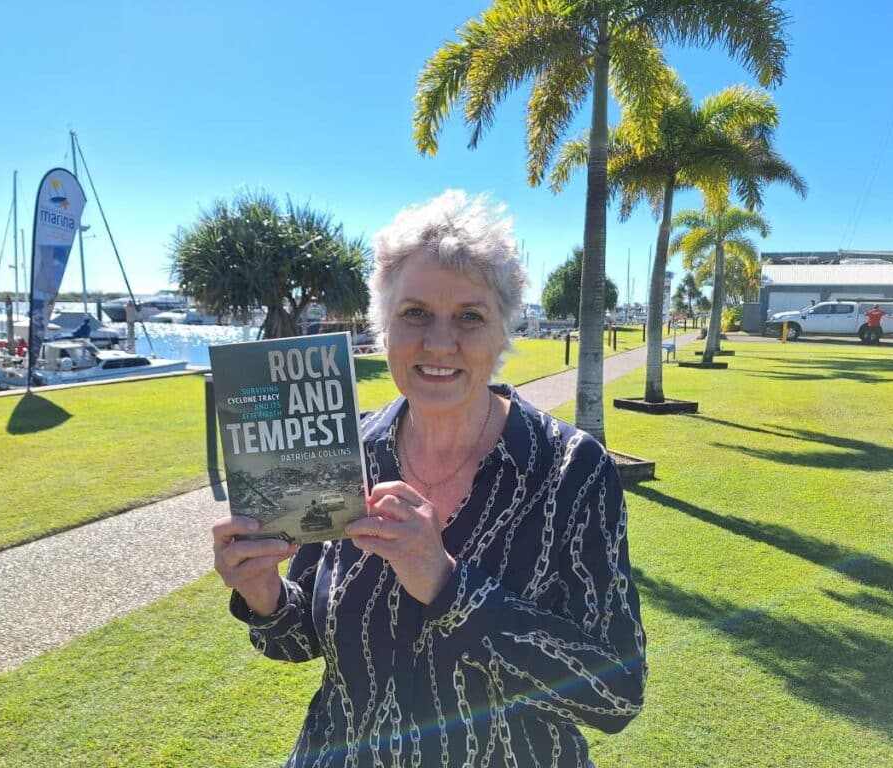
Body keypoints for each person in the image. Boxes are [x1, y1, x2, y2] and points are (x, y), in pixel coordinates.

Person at [212, 190, 647, 768]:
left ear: (501, 336)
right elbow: (303, 638)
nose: (440, 343)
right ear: (383, 327)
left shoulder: (571, 469)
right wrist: (263, 596)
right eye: (415, 313)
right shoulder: (347, 450)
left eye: (470, 317)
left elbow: (616, 693)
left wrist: (449, 587)